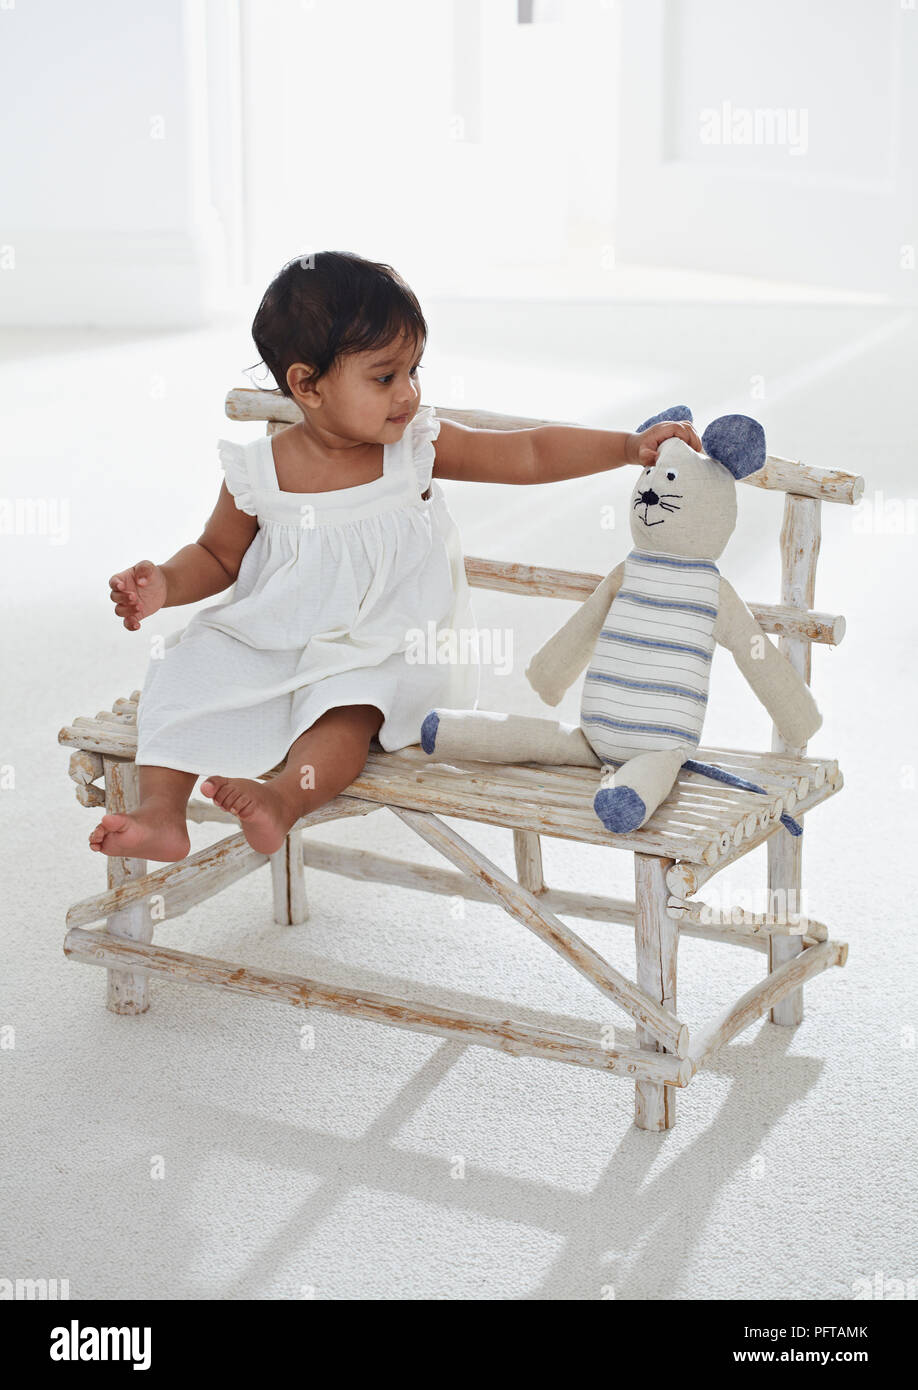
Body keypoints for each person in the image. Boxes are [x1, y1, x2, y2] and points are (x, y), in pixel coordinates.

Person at [90, 250, 701, 863]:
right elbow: (218, 556)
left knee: (347, 714)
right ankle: (161, 814)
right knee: (181, 669)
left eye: (413, 371)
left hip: (382, 649)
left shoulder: (414, 451)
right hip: (275, 639)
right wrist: (165, 583)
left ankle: (283, 798)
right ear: (307, 385)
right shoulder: (258, 473)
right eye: (385, 377)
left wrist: (627, 446)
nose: (408, 393)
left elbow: (529, 454)